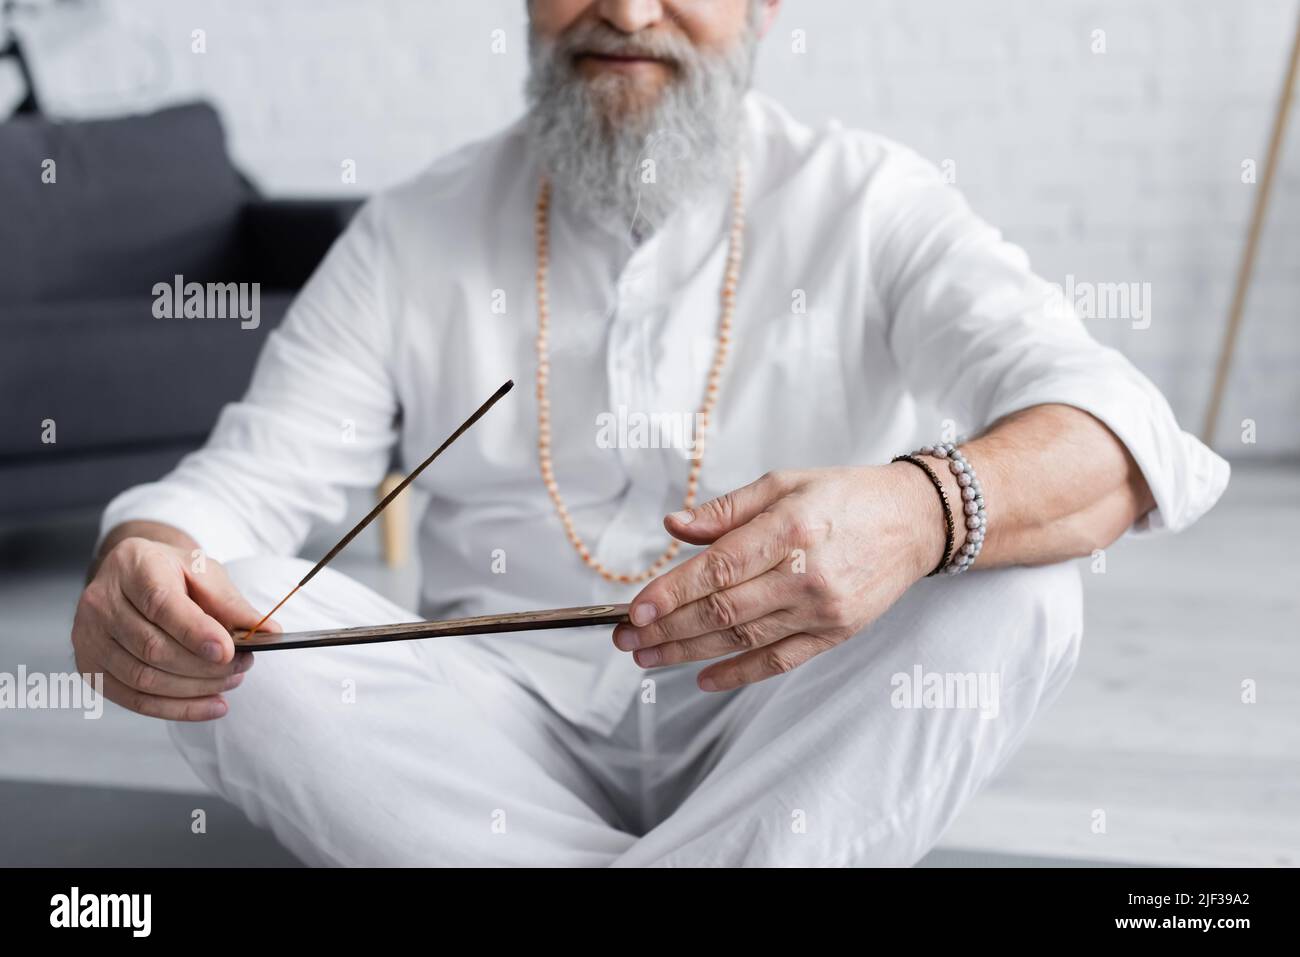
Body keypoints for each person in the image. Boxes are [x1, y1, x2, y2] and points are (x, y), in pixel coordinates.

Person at [75, 0, 1228, 866]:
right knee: (246, 626)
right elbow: (243, 486)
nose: (626, 13)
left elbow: (1117, 438)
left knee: (1014, 581)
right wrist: (144, 562)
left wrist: (918, 508)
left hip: (786, 733)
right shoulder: (410, 230)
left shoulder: (872, 200)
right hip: (483, 738)